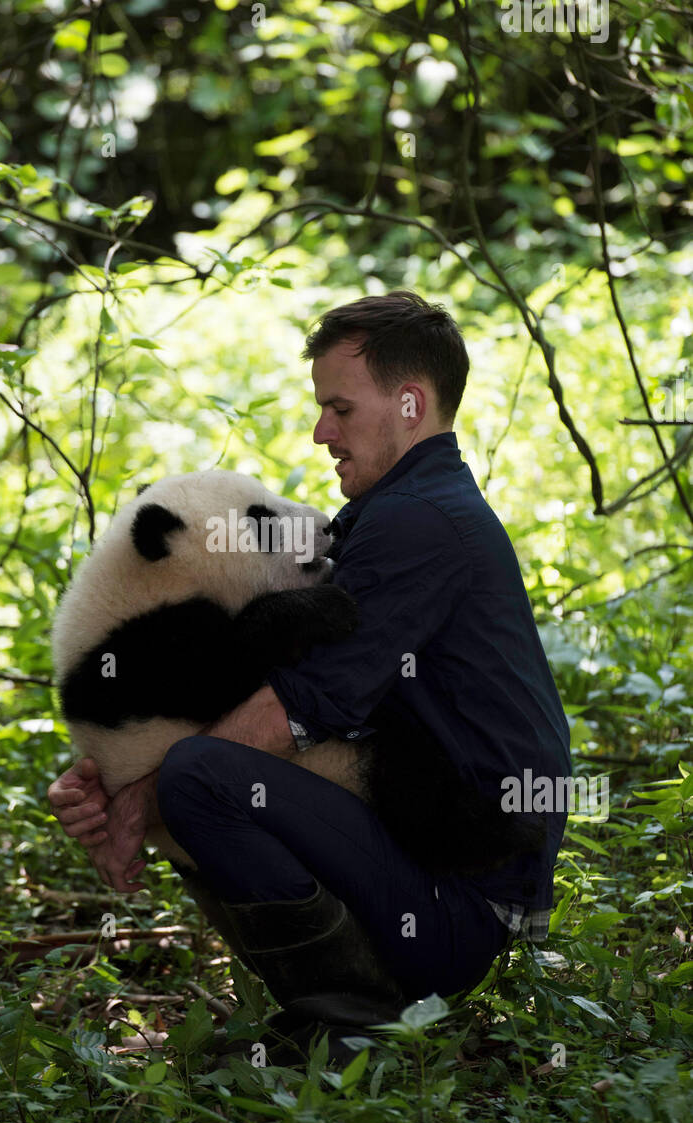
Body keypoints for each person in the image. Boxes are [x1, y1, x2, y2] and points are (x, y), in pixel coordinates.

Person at [48, 291, 572, 1064]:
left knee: (201, 778)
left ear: (408, 401)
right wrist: (110, 776)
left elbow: (294, 709)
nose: (320, 431)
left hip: (457, 903)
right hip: (434, 873)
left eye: (338, 408)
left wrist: (135, 802)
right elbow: (233, 689)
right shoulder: (396, 512)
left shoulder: (416, 523)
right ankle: (347, 1015)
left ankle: (351, 1029)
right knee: (201, 767)